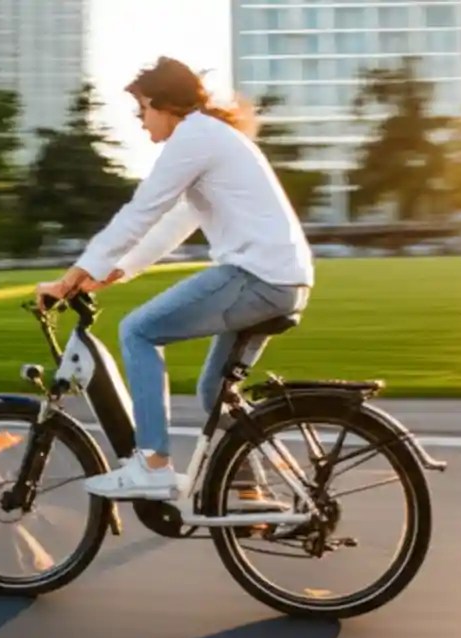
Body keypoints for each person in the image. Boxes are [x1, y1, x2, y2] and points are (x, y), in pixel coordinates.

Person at [34, 56, 315, 501]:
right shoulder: (210, 138)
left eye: (142, 110)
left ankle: (152, 463)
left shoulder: (194, 137)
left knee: (138, 331)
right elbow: (172, 223)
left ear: (165, 105)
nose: (140, 122)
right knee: (213, 393)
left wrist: (70, 278)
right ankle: (248, 492)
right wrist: (117, 271)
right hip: (282, 281)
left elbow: (140, 211)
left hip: (255, 278)